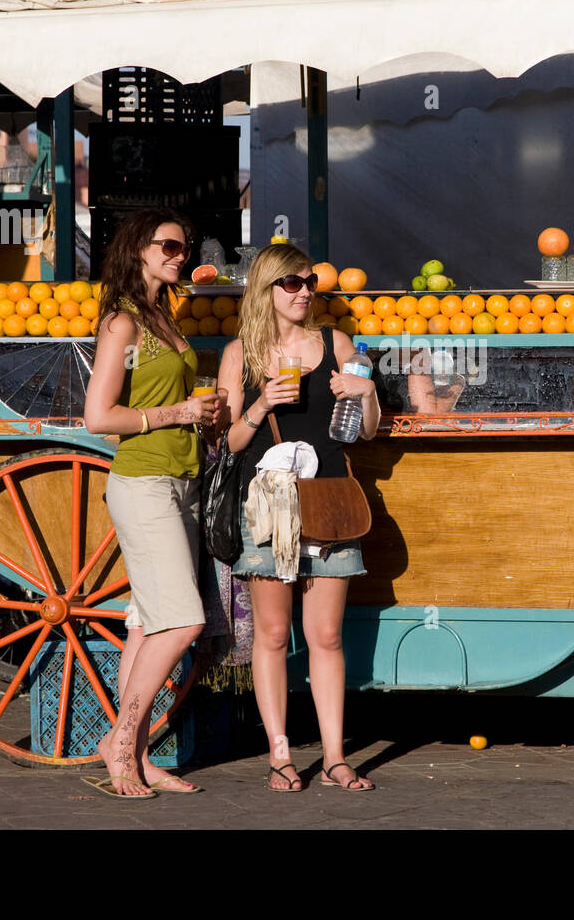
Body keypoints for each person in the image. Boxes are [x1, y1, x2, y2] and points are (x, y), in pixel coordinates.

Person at [217, 243, 380, 792]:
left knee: (327, 635)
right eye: (291, 282)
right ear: (265, 288)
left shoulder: (336, 343)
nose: (305, 290)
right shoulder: (240, 355)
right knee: (271, 633)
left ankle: (335, 757)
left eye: (308, 281)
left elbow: (366, 429)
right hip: (266, 506)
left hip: (329, 498)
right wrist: (261, 405)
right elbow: (231, 439)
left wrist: (367, 391)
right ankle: (280, 755)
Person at [83, 207, 226, 798]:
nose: (179, 256)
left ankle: (136, 755)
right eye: (168, 246)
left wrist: (205, 417)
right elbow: (98, 416)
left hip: (182, 480)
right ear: (139, 249)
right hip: (143, 483)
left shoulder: (165, 318)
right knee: (184, 620)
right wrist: (178, 413)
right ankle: (120, 742)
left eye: (183, 247)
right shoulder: (122, 325)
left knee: (146, 626)